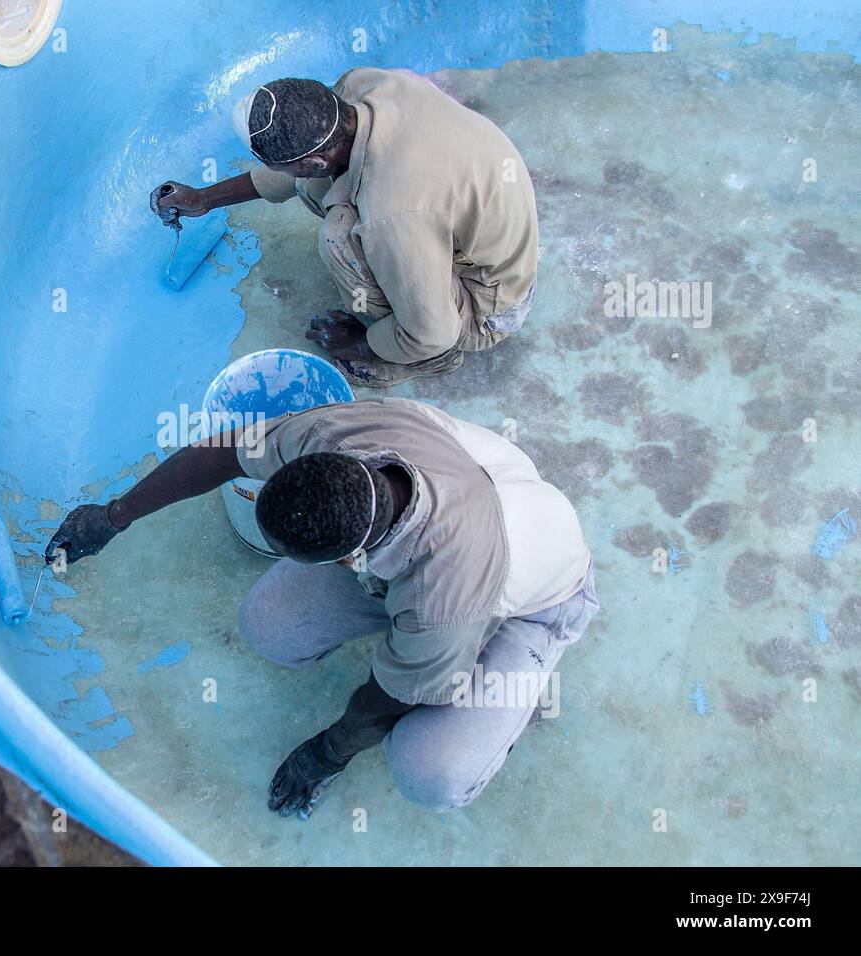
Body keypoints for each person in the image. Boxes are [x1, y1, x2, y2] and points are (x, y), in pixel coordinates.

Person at [46, 398, 596, 819]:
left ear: (351, 556)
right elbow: (224, 453)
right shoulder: (337, 437)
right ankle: (412, 632)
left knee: (430, 773)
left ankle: (520, 682)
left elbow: (383, 703)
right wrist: (115, 515)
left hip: (533, 595)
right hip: (471, 504)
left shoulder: (442, 604)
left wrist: (324, 755)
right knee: (267, 628)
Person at [150, 70, 539, 387]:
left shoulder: (392, 216)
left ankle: (423, 361)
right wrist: (205, 199)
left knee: (340, 237)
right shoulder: (364, 88)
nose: (278, 171)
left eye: (279, 164)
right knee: (329, 192)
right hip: (478, 230)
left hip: (489, 304)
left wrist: (363, 343)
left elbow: (433, 331)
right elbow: (304, 170)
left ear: (314, 160)